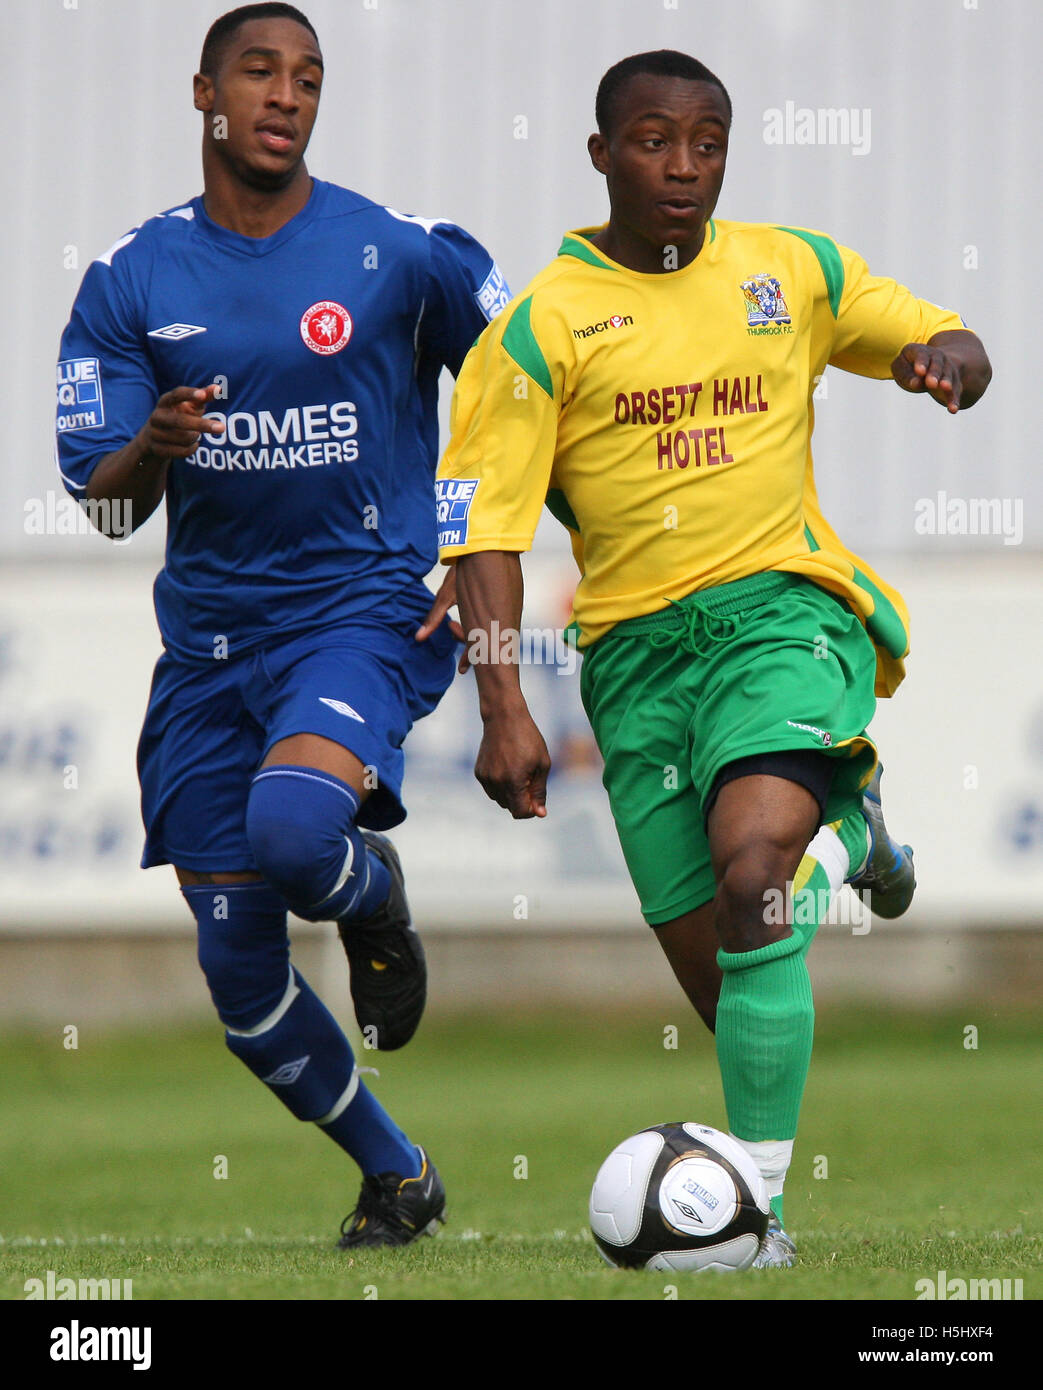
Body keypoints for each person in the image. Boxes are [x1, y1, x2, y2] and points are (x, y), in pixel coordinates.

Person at [437, 50, 991, 1266]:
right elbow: (483, 535)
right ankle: (856, 835)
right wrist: (501, 706)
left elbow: (941, 331)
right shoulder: (538, 329)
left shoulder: (789, 271)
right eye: (650, 140)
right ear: (599, 155)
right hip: (635, 663)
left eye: (704, 141)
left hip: (778, 614)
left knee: (750, 881)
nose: (681, 167)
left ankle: (761, 1229)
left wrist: (945, 358)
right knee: (727, 964)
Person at [55, 3, 511, 1249]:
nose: (285, 95)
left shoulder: (397, 252)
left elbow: (527, 388)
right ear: (202, 92)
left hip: (362, 608)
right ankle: (398, 1174)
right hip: (206, 649)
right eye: (259, 71)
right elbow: (102, 501)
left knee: (299, 827)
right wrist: (149, 448)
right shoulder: (132, 277)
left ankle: (371, 896)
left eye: (308, 77)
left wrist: (480, 543)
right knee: (244, 982)